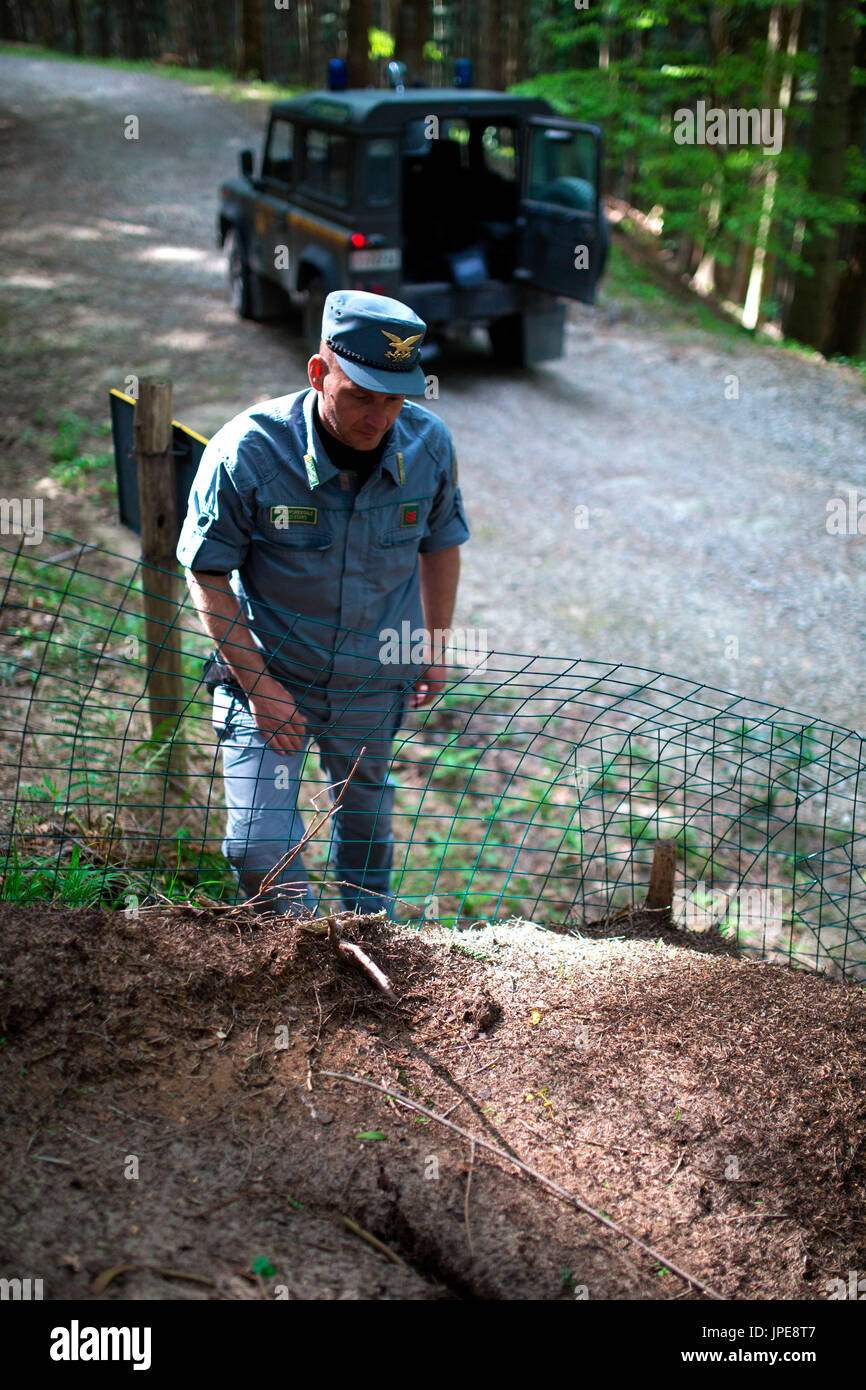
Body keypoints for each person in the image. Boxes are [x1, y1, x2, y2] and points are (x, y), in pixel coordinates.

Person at [177, 290, 470, 917]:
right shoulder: (248, 451)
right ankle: (311, 952)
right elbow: (206, 574)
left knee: (365, 831)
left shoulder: (429, 446)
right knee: (257, 848)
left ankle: (375, 945)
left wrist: (432, 649)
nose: (379, 417)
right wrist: (261, 690)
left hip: (371, 683)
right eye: (362, 394)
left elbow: (441, 546)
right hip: (268, 676)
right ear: (318, 372)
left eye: (395, 398)